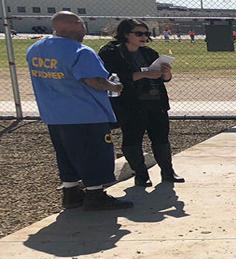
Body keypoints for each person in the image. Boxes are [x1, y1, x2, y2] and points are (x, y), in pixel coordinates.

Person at [27, 11, 130, 210]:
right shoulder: (80, 51)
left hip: (54, 115)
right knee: (94, 153)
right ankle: (95, 194)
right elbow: (93, 80)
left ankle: (71, 193)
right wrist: (115, 87)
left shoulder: (35, 49)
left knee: (66, 154)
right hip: (85, 114)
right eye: (82, 24)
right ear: (76, 25)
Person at [98, 18, 184, 187]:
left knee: (161, 138)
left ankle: (167, 171)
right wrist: (143, 75)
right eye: (139, 33)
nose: (144, 37)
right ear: (125, 34)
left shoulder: (149, 53)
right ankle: (141, 174)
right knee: (132, 139)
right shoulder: (111, 52)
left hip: (155, 102)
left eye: (146, 34)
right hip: (130, 104)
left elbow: (164, 79)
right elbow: (111, 78)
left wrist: (166, 73)